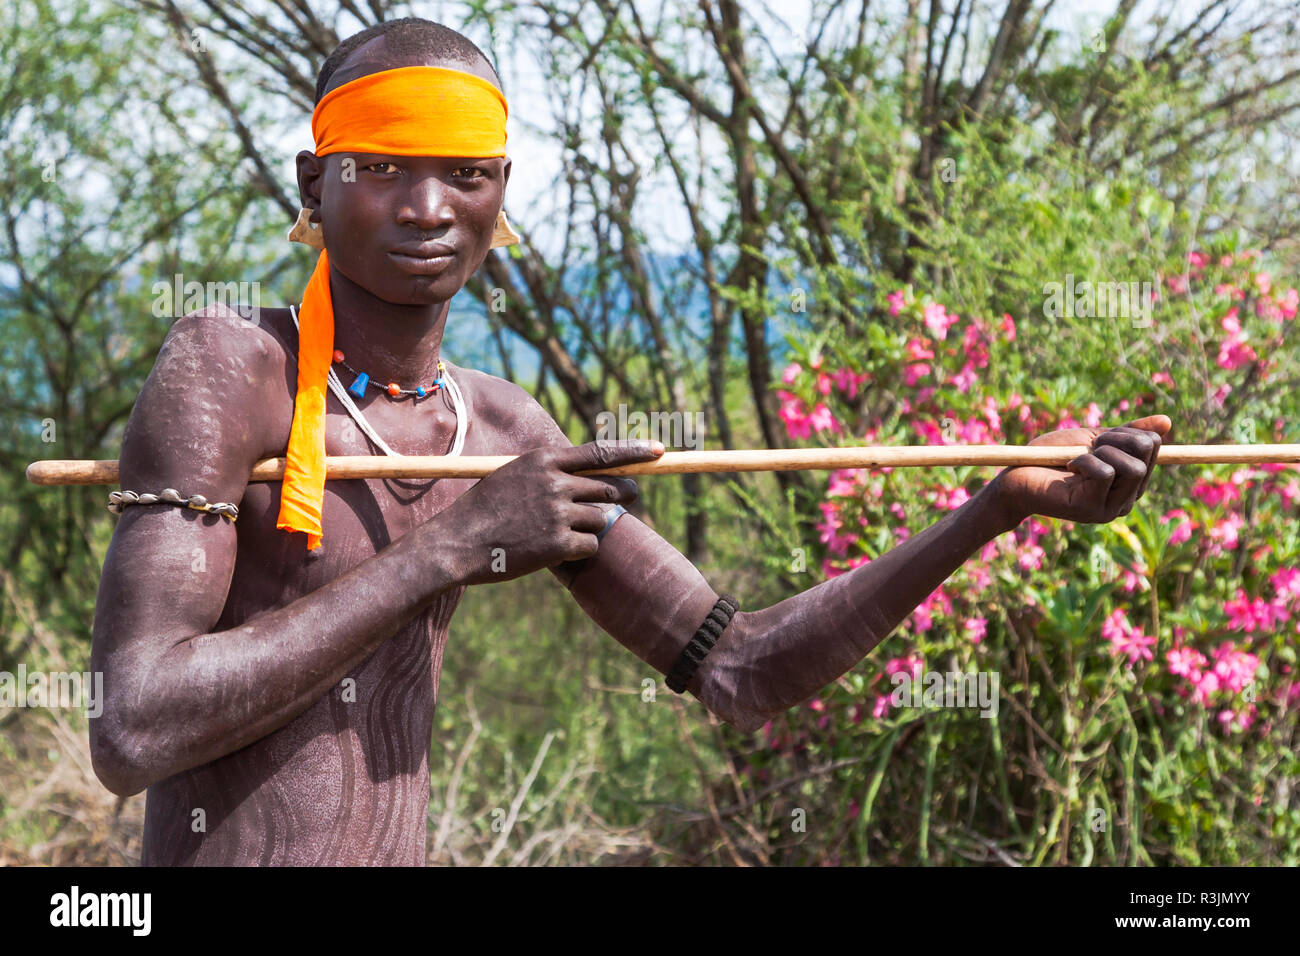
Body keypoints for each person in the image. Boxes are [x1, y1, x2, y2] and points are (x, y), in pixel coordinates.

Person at [88, 17, 1170, 865]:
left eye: (463, 172)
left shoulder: (503, 430)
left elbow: (741, 669)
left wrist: (995, 504)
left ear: (498, 193)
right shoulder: (233, 366)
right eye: (379, 167)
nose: (425, 207)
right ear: (311, 183)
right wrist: (450, 549)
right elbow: (131, 726)